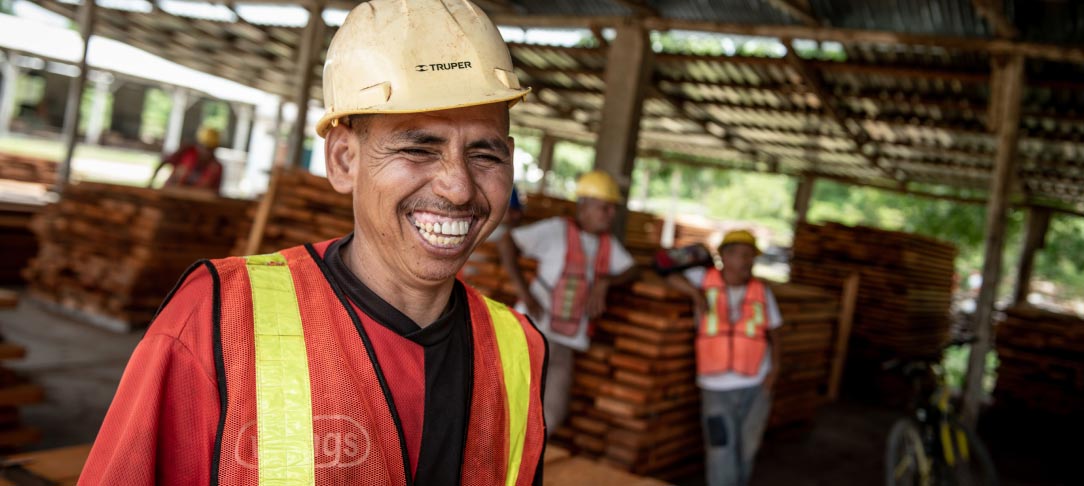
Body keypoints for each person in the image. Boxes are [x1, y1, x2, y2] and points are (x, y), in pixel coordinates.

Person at [80, 1, 547, 484]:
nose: (459, 187)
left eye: (484, 153)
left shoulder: (518, 349)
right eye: (418, 147)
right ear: (344, 159)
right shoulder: (216, 321)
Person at [498, 170, 638, 435]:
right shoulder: (556, 230)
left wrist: (606, 281)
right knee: (510, 404)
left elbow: (633, 270)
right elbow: (508, 243)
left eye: (612, 209)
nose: (610, 214)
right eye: (604, 208)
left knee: (552, 412)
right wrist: (524, 293)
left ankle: (526, 468)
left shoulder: (608, 245)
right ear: (583, 206)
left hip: (565, 342)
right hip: (530, 332)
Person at [666, 230, 783, 486]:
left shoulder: (761, 292)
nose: (747, 262)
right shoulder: (702, 279)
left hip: (755, 385)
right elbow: (664, 267)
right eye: (741, 255)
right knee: (720, 447)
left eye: (751, 257)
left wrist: (773, 372)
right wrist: (695, 294)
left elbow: (775, 335)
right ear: (725, 257)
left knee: (747, 448)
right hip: (715, 388)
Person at [149, 126, 224, 192]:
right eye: (205, 147)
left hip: (196, 202)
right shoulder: (186, 152)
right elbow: (165, 161)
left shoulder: (216, 167)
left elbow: (215, 193)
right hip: (171, 194)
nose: (207, 152)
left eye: (211, 149)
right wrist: (151, 181)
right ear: (198, 144)